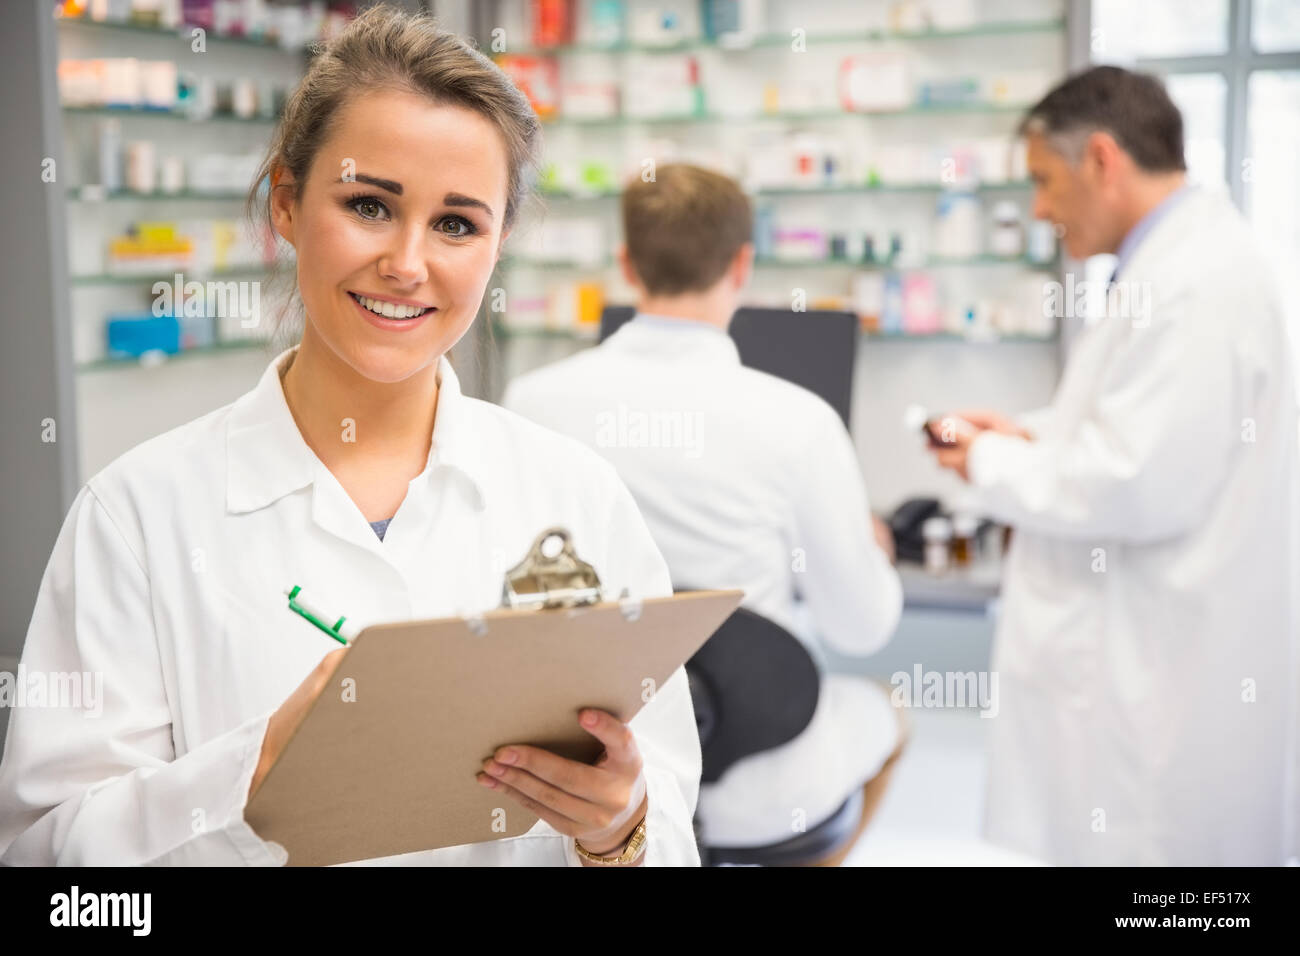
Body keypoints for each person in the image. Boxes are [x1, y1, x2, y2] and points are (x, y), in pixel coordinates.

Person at [0, 6, 702, 867]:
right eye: (370, 205)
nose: (408, 263)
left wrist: (615, 832)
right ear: (288, 205)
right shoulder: (137, 516)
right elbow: (49, 864)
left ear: (499, 244)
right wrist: (252, 769)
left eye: (457, 223)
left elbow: (667, 827)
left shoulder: (575, 496)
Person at [928, 65, 1299, 865]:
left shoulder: (1200, 285)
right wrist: (1027, 435)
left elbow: (1132, 484)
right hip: (1141, 668)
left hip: (1161, 685)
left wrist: (991, 459)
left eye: (1043, 181)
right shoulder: (1170, 271)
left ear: (1101, 158)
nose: (1038, 209)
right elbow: (1132, 431)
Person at [503, 163, 904, 854]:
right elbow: (861, 628)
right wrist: (870, 553)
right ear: (742, 265)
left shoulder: (532, 404)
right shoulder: (798, 421)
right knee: (892, 714)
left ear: (626, 262)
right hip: (762, 790)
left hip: (592, 779)